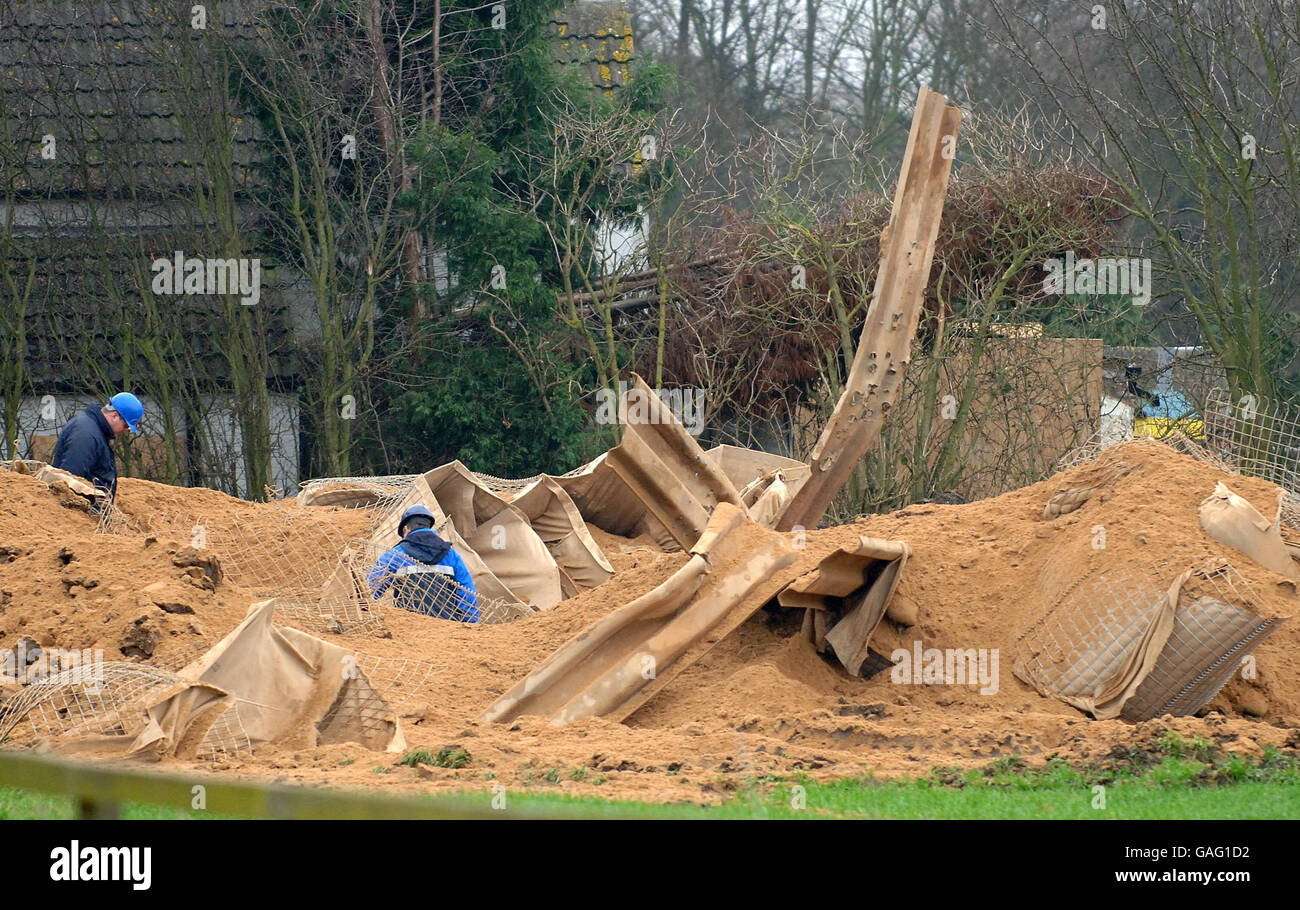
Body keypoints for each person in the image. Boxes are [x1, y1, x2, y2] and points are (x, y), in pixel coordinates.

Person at [367, 504, 479, 622]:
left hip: (407, 627)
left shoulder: (395, 554)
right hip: (447, 628)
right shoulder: (451, 554)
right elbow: (467, 593)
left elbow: (371, 588)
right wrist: (470, 625)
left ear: (406, 529)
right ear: (429, 527)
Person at [50, 392, 144, 501]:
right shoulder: (86, 435)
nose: (125, 431)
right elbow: (69, 482)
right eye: (126, 425)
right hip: (81, 512)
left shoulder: (94, 431)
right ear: (114, 416)